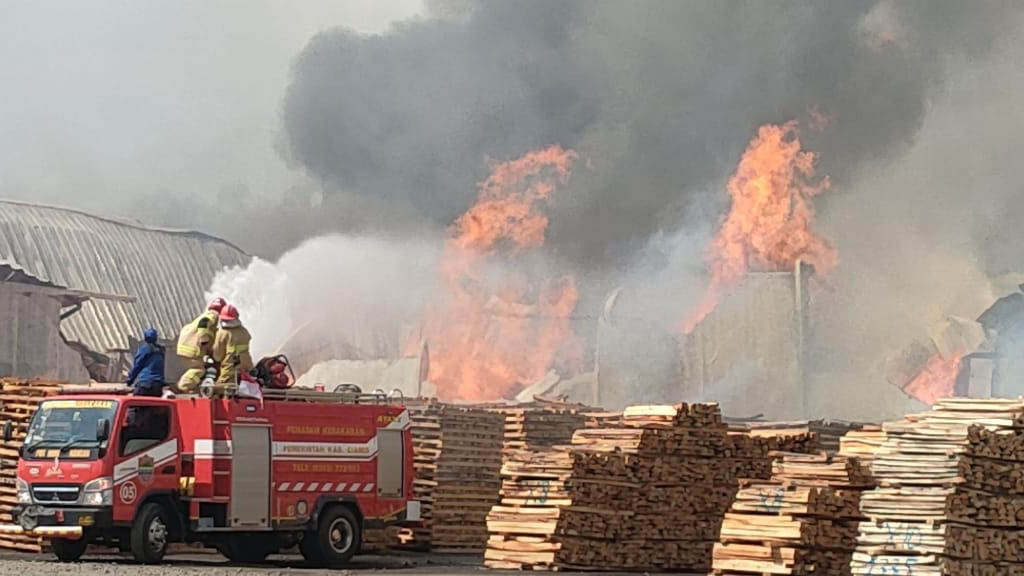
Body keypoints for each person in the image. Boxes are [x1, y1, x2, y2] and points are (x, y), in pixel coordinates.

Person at [176, 298, 225, 392]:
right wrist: (204, 339)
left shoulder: (205, 316)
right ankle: (184, 387)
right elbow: (204, 323)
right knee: (198, 369)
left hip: (185, 345)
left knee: (196, 367)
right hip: (193, 348)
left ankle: (184, 385)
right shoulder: (213, 315)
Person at [212, 305, 253, 385]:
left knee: (220, 387)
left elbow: (217, 356)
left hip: (230, 368)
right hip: (246, 366)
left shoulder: (222, 333)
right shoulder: (244, 331)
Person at [127, 328, 165, 397]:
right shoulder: (161, 351)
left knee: (135, 405)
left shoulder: (145, 349)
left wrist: (130, 381)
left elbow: (137, 365)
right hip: (158, 385)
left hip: (144, 384)